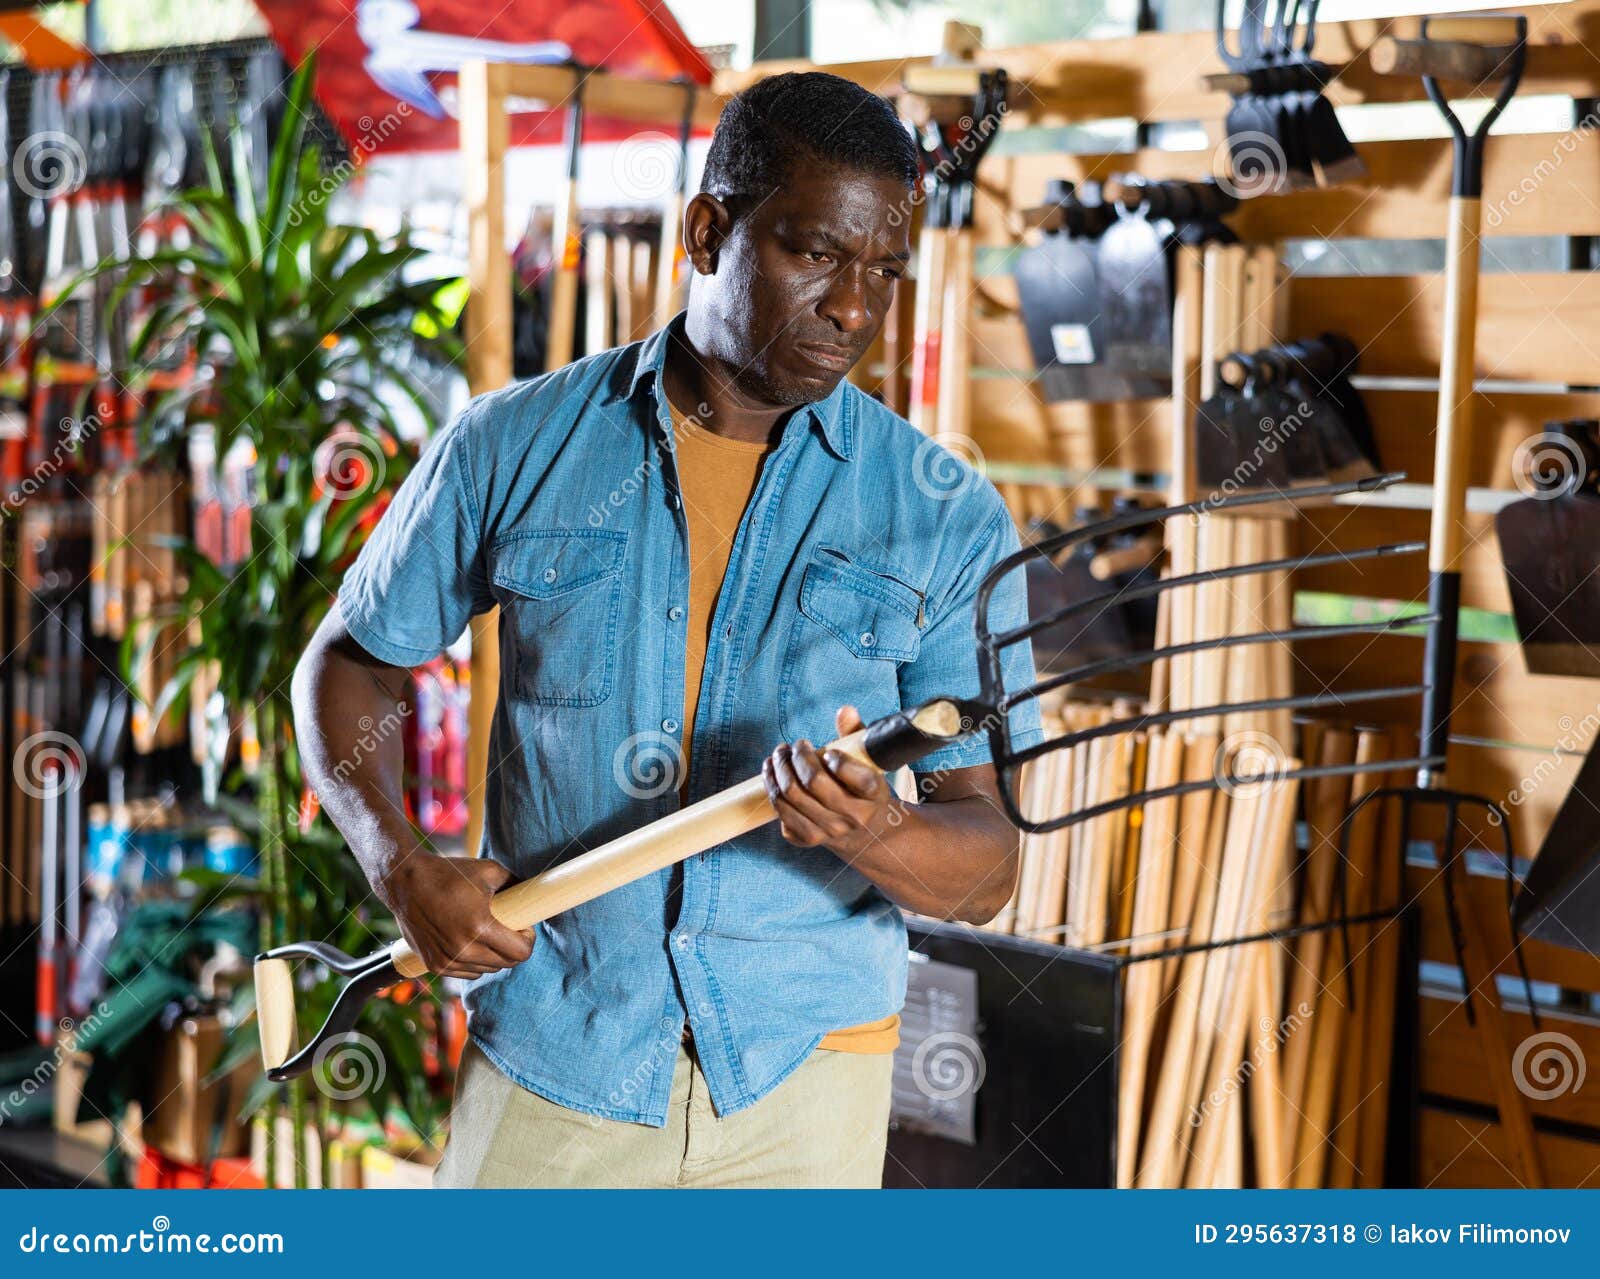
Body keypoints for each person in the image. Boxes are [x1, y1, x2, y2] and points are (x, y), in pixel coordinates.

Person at [293, 70, 1041, 1189]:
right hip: (562, 1057)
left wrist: (870, 829)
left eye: (883, 270)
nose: (853, 307)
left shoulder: (943, 513)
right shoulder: (515, 445)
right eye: (815, 254)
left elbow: (987, 867)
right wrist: (402, 867)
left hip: (805, 1085)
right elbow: (349, 665)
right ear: (708, 230)